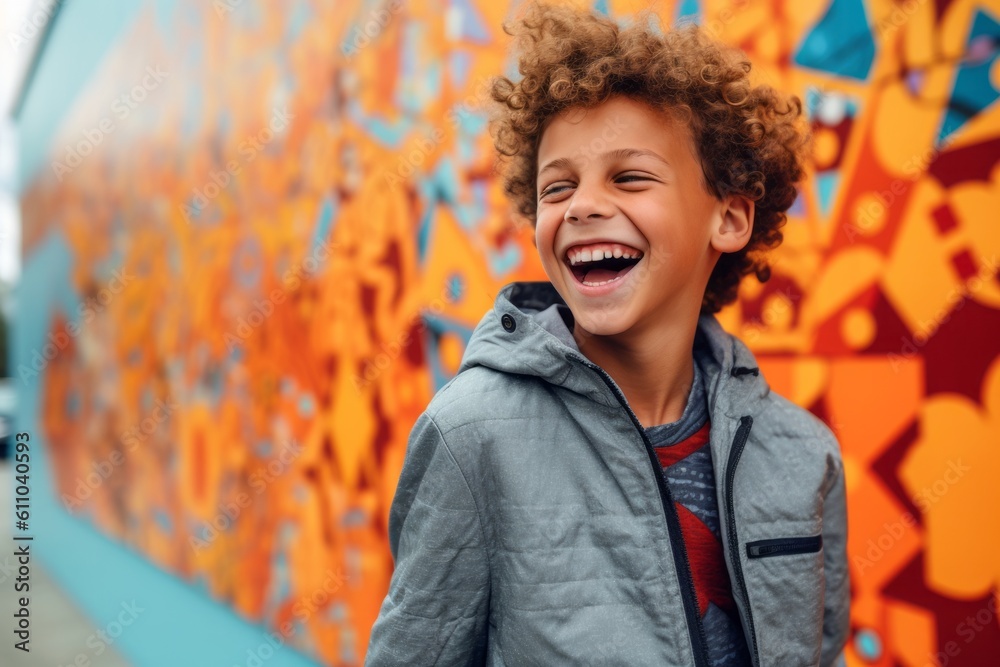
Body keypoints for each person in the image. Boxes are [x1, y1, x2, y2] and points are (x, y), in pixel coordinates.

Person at [366, 3, 849, 666]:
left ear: (730, 218)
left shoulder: (803, 454)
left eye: (629, 177)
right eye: (556, 187)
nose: (584, 205)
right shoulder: (470, 437)